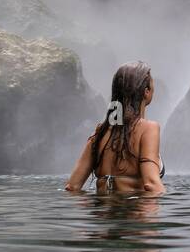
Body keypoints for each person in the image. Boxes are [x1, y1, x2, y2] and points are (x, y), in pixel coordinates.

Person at [65, 62, 166, 195]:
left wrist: (91, 210)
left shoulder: (100, 132)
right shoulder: (149, 128)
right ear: (146, 92)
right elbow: (151, 184)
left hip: (102, 213)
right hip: (135, 213)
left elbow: (72, 187)